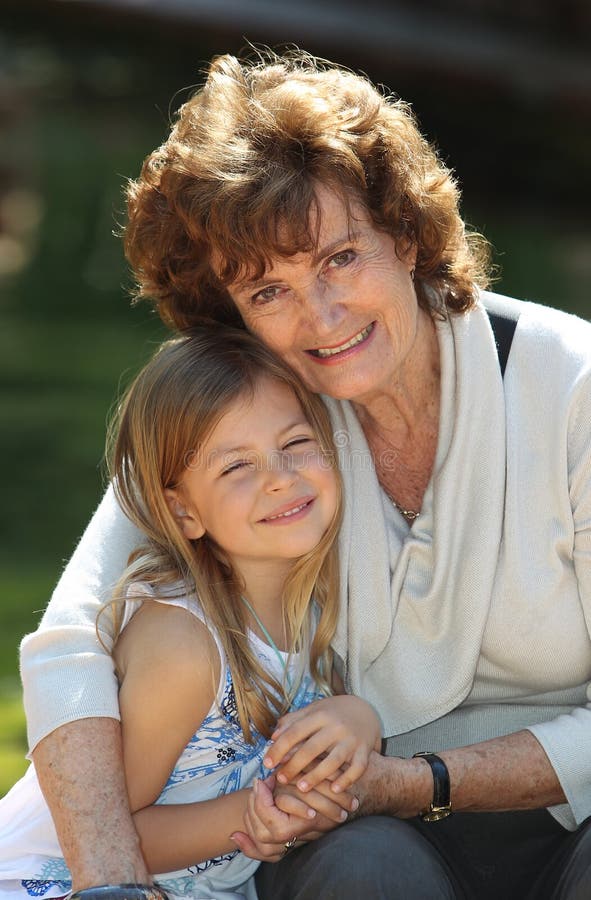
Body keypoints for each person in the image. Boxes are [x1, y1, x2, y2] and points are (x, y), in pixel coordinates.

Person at [20, 49, 591, 899]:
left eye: (338, 258)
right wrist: (109, 887)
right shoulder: (250, 411)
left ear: (403, 233)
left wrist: (421, 778)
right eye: (265, 292)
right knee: (365, 873)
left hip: (565, 811)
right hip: (350, 833)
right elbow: (74, 641)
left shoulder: (571, 387)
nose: (318, 318)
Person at [2, 326, 380, 900]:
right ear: (183, 514)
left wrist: (359, 720)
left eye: (297, 443)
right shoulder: (185, 646)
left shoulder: (321, 607)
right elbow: (110, 827)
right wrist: (255, 816)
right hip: (67, 883)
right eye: (236, 468)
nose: (281, 478)